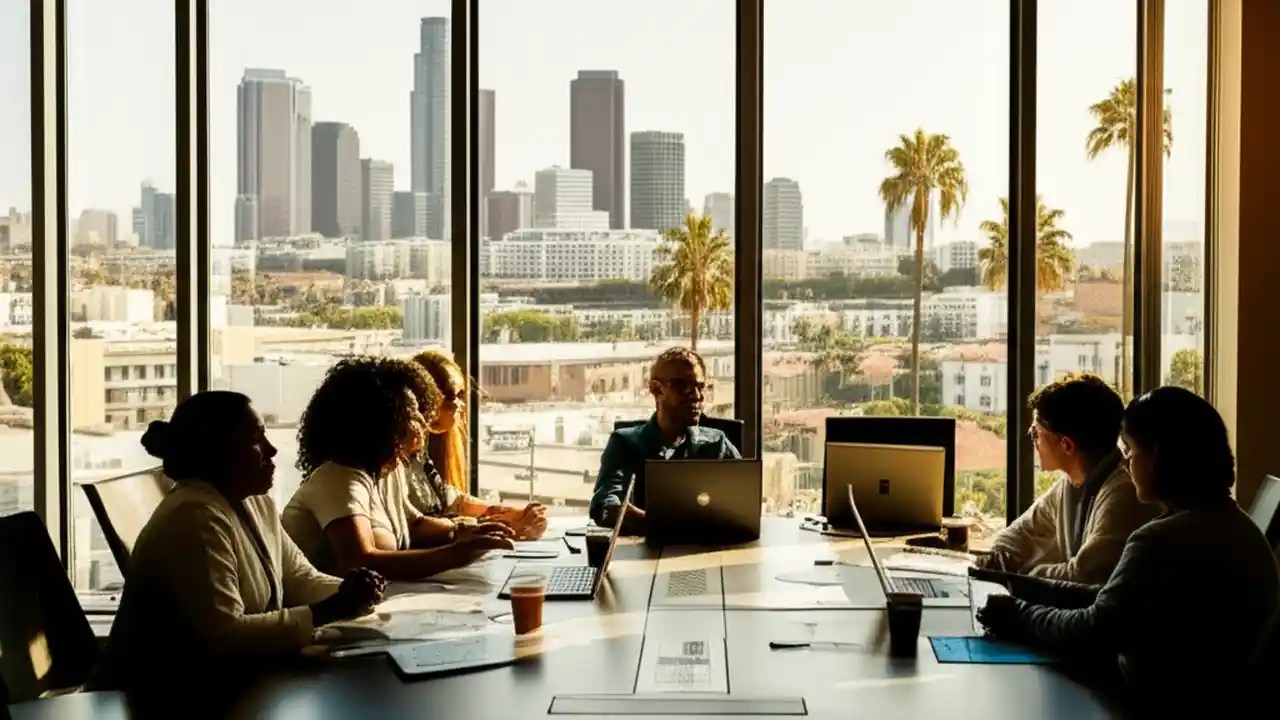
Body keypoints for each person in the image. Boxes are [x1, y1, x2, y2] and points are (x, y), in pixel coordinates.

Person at [977, 387, 1279, 704]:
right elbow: (1115, 602)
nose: (1127, 462)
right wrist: (1026, 587)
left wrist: (1019, 614)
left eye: (1132, 452)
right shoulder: (1232, 527)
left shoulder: (1161, 540)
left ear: (1160, 458)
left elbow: (1094, 629)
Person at [91, 391, 386, 693]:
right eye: (256, 439)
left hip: (219, 687)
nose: (271, 450)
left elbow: (298, 578)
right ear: (218, 451)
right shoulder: (193, 517)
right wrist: (330, 610)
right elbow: (224, 636)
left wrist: (362, 596)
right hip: (154, 698)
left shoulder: (256, 503)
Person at [282, 357, 515, 581]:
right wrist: (458, 553)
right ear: (375, 423)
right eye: (409, 415)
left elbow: (414, 524)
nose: (421, 425)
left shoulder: (388, 472)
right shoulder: (337, 478)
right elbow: (362, 560)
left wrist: (463, 531)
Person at [972, 374, 1157, 584]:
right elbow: (1018, 537)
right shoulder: (1070, 484)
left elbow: (1085, 575)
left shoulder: (1124, 492)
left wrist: (1026, 576)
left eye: (1036, 434)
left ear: (1067, 445)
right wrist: (986, 564)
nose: (1032, 439)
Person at [589, 347, 741, 532]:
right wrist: (674, 528)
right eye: (682, 385)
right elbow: (606, 507)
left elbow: (745, 502)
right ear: (656, 389)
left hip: (710, 553)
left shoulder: (717, 443)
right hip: (646, 555)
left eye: (700, 387)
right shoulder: (625, 443)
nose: (696, 396)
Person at [406, 350, 547, 540]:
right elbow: (414, 523)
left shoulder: (420, 449)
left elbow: (451, 500)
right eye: (448, 396)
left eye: (460, 395)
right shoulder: (395, 456)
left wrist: (508, 513)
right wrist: (496, 526)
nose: (457, 405)